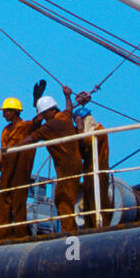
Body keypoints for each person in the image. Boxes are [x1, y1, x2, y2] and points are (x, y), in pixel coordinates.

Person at [18, 87, 82, 234]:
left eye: (44, 115)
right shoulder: (64, 117)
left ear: (48, 112)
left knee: (63, 199)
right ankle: (70, 228)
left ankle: (69, 232)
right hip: (76, 164)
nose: (43, 118)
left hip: (66, 167)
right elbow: (69, 109)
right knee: (67, 197)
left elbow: (31, 138)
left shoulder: (49, 126)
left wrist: (11, 148)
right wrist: (67, 95)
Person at [0, 97, 38, 241]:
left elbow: (38, 121)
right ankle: (4, 235)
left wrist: (37, 100)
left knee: (19, 204)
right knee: (3, 205)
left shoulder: (26, 127)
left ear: (14, 112)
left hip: (20, 172)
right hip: (6, 172)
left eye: (6, 111)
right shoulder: (5, 131)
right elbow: (2, 152)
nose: (3, 114)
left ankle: (21, 235)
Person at [73, 90, 112, 228]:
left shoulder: (97, 131)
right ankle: (90, 226)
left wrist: (79, 128)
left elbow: (86, 144)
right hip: (90, 171)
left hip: (98, 171)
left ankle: (101, 225)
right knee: (89, 201)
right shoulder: (94, 130)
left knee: (98, 201)